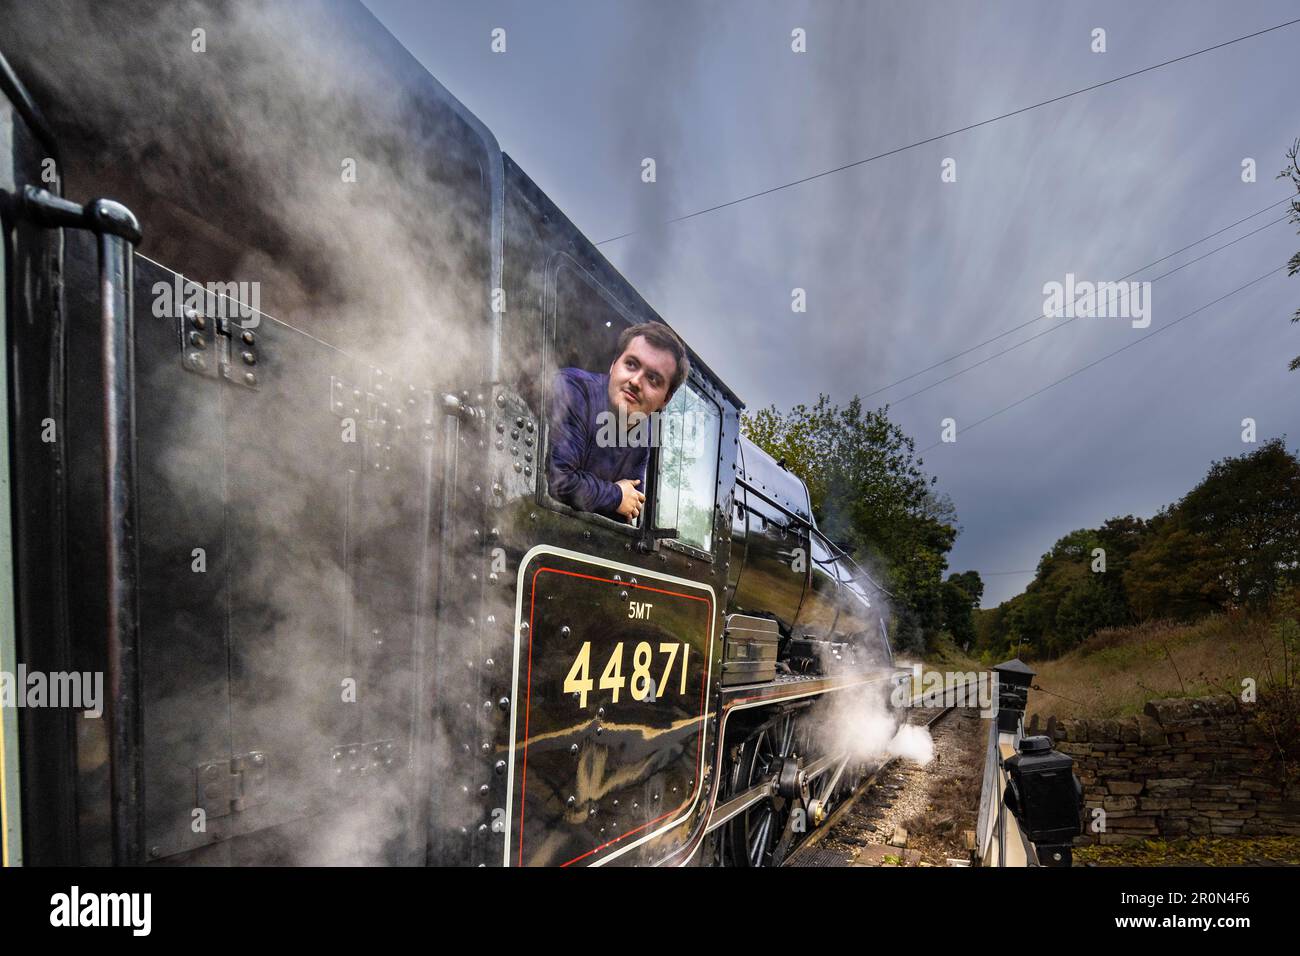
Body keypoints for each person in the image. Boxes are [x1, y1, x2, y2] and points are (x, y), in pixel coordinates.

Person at [546, 321, 690, 523]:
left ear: (665, 399)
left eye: (653, 379)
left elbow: (630, 509)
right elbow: (559, 480)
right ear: (614, 365)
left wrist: (616, 499)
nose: (635, 381)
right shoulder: (574, 388)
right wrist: (616, 495)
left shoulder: (645, 432)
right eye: (631, 364)